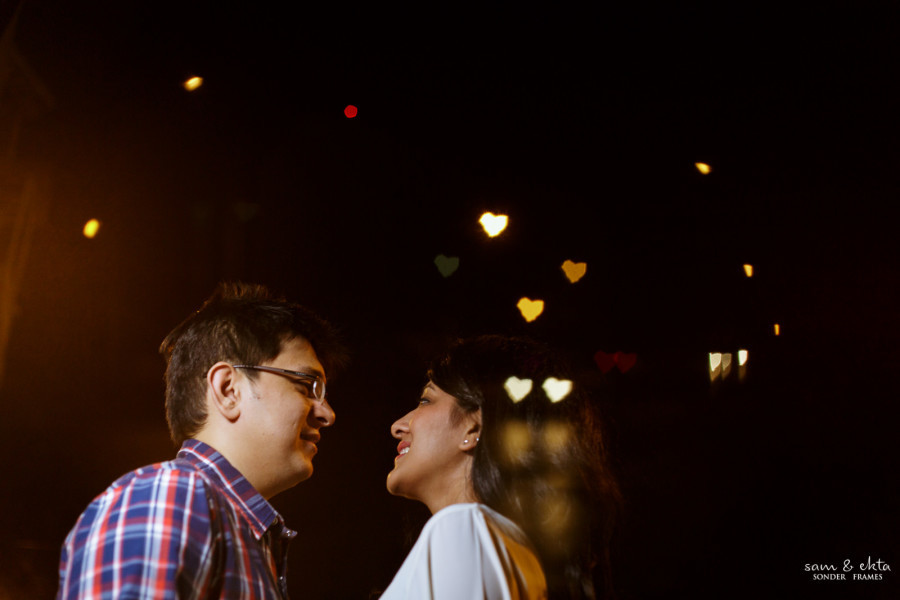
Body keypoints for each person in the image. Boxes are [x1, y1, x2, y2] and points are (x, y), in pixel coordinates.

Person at [57, 282, 345, 599]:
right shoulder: (169, 494)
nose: (327, 414)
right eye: (307, 386)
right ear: (228, 389)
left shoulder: (247, 536)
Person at [382, 335, 621, 600]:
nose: (398, 426)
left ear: (473, 426)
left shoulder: (464, 529)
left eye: (426, 400)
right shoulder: (515, 555)